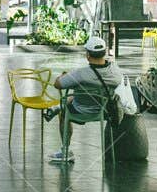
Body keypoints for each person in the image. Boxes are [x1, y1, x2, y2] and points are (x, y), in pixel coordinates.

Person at [43, 37, 127, 166]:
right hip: (104, 111)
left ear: (88, 55)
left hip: (80, 110)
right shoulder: (115, 72)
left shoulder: (80, 74)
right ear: (104, 53)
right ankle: (56, 108)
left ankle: (65, 150)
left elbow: (57, 84)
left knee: (67, 107)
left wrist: (63, 76)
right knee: (77, 96)